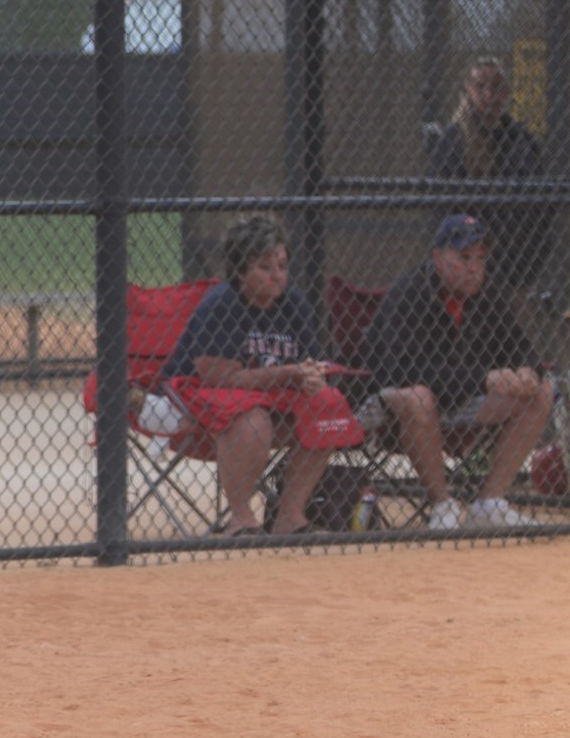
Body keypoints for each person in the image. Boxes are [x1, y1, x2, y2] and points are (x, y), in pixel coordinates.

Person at [155, 215, 362, 536]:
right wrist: (291, 373)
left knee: (326, 406)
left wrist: (312, 377)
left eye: (282, 265)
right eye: (265, 268)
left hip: (269, 403)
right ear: (240, 271)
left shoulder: (294, 305)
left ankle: (290, 517)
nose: (277, 276)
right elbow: (220, 378)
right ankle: (241, 518)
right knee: (253, 420)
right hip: (198, 415)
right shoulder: (221, 305)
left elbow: (309, 363)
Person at [358, 214, 554, 531]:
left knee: (540, 392)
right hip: (394, 405)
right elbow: (405, 372)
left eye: (480, 258)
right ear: (438, 258)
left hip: (459, 400)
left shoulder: (488, 293)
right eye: (464, 258)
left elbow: (522, 348)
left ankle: (490, 503)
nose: (475, 267)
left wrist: (528, 372)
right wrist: (483, 378)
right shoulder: (410, 293)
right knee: (419, 397)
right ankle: (442, 504)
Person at [425, 56, 553, 357]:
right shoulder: (455, 141)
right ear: (467, 90)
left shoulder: (520, 140)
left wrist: (519, 254)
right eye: (480, 87)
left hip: (512, 260)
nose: (488, 96)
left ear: (507, 93)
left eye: (496, 87)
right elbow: (442, 211)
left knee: (515, 335)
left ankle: (522, 372)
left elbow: (539, 209)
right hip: (467, 256)